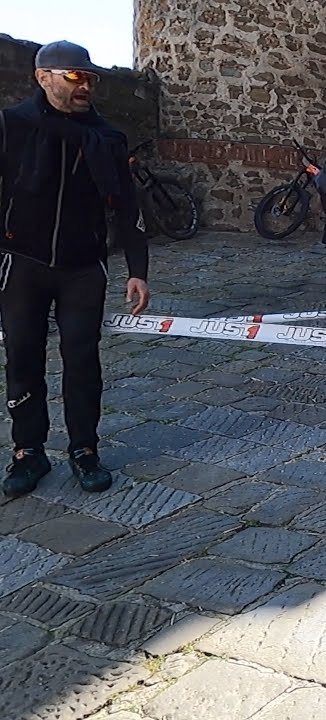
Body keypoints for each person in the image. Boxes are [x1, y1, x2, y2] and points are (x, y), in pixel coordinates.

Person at [0, 41, 151, 497]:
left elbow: (127, 205)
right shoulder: (11, 125)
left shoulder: (107, 137)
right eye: (74, 76)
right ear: (42, 77)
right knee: (22, 357)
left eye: (91, 78)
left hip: (83, 266)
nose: (85, 85)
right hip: (23, 263)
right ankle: (28, 451)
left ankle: (84, 450)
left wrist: (138, 269)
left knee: (82, 361)